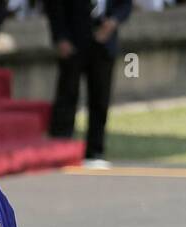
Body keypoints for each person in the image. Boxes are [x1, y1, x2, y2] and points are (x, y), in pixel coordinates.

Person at [44, 0, 133, 168]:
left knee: (100, 98)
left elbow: (125, 5)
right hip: (74, 39)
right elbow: (54, 6)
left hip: (104, 41)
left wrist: (113, 21)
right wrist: (60, 37)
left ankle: (95, 151)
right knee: (67, 94)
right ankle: (60, 147)